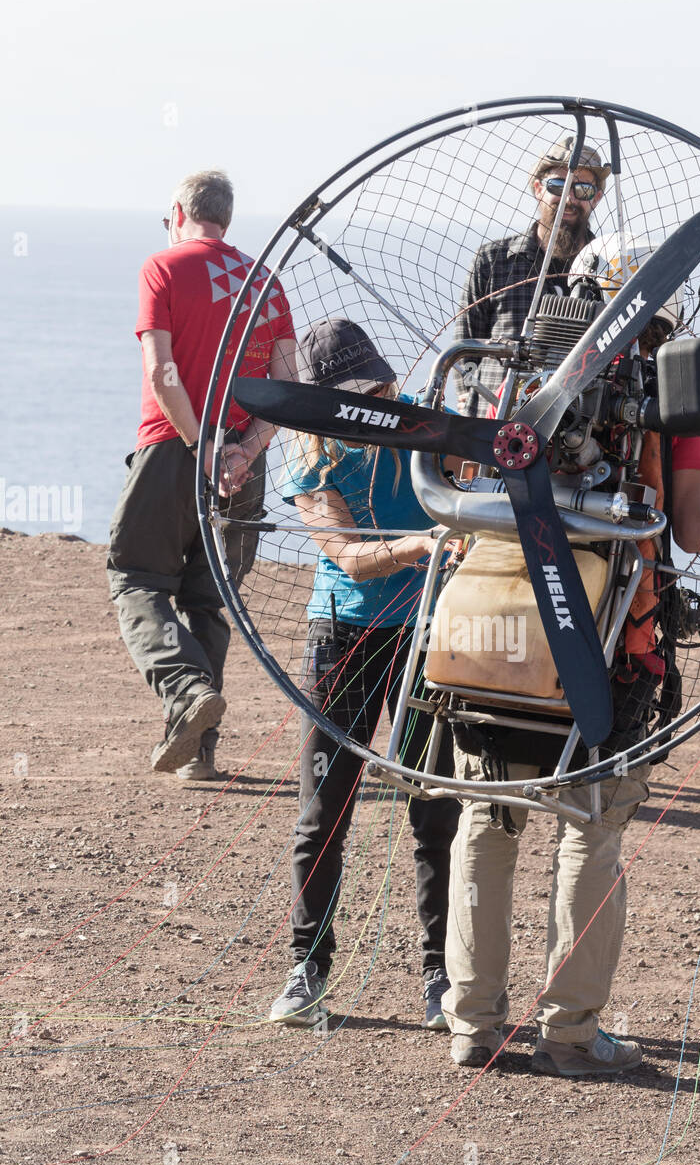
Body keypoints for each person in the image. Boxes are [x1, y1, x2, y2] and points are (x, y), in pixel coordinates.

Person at [442, 306, 700, 1076]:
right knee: (590, 828)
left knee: (487, 820)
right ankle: (570, 1034)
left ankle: (473, 1026)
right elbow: (693, 527)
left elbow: (457, 487)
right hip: (607, 652)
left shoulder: (504, 381)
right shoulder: (673, 397)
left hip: (488, 640)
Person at [268, 319, 461, 1031]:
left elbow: (479, 484)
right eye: (358, 394)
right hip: (343, 638)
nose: (377, 399)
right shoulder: (310, 464)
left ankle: (441, 975)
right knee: (326, 810)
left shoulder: (426, 428)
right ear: (323, 405)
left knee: (434, 805)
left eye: (379, 385)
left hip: (427, 637)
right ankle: (306, 966)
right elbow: (348, 557)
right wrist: (422, 545)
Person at [106, 169, 297, 780]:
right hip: (247, 465)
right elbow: (288, 388)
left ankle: (187, 693)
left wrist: (203, 445)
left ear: (177, 212)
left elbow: (165, 376)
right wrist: (244, 449)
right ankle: (199, 756)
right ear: (228, 219)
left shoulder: (162, 268)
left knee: (135, 577)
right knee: (209, 603)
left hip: (173, 449)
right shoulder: (266, 281)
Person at [455, 134, 608, 417]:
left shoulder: (610, 269)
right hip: (493, 427)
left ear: (596, 198)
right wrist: (470, 400)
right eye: (558, 186)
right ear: (538, 189)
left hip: (574, 432)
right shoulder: (493, 260)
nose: (569, 199)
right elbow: (465, 347)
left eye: (583, 190)